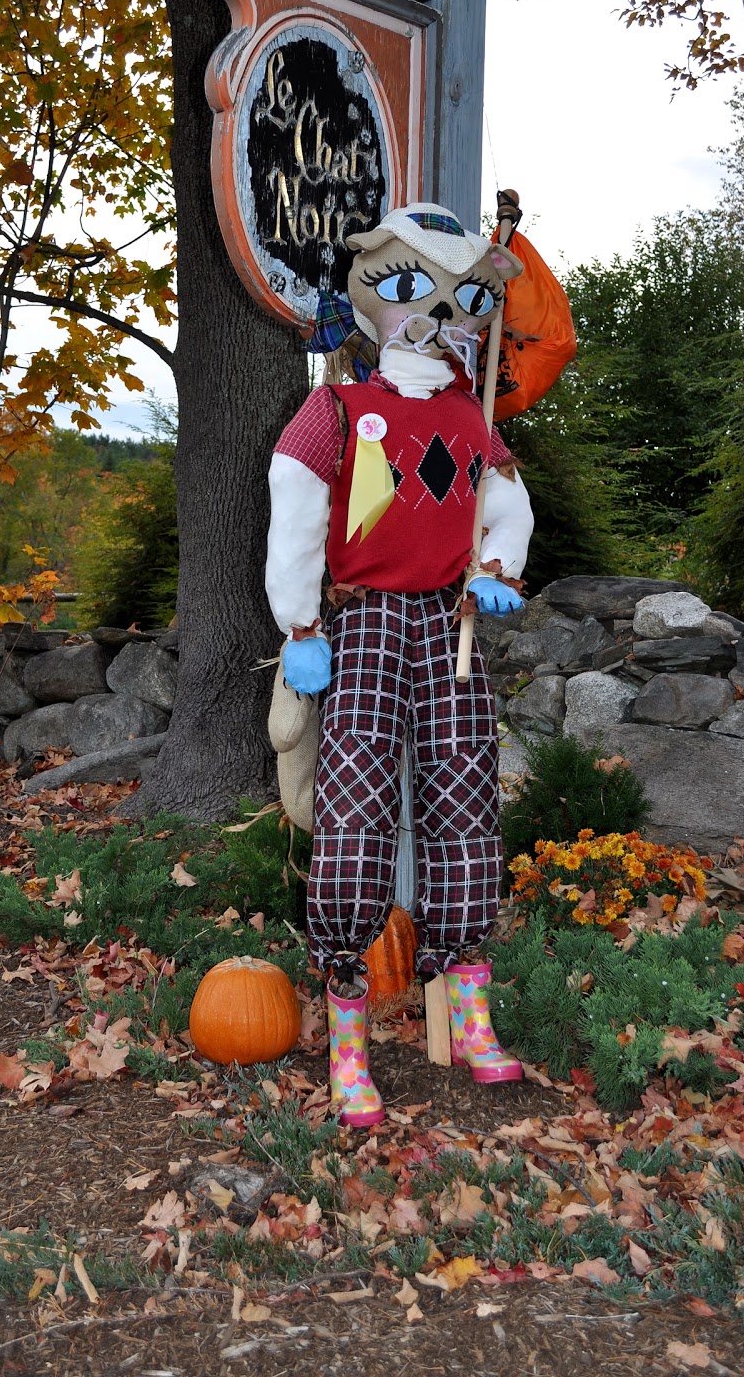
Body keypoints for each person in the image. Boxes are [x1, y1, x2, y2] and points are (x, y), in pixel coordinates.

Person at [265, 204, 534, 1127]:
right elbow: (294, 505)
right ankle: (348, 1034)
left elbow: (505, 504)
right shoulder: (337, 407)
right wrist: (300, 626)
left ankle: (468, 1010)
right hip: (368, 621)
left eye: (457, 295)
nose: (435, 315)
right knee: (354, 801)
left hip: (450, 620)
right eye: (414, 288)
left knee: (466, 796)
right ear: (376, 292)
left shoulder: (471, 413)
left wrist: (498, 566)